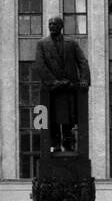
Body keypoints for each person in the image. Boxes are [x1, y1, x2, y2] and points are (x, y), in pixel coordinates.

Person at [34, 15, 91, 153]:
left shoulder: (71, 43)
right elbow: (40, 66)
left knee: (69, 119)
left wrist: (84, 80)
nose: (51, 26)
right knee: (52, 119)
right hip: (52, 90)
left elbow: (82, 62)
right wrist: (55, 82)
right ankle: (56, 144)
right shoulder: (42, 44)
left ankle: (68, 143)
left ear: (61, 26)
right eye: (50, 24)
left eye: (54, 24)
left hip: (69, 88)